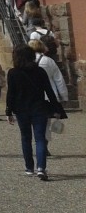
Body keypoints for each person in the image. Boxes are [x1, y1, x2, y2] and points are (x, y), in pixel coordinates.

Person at [6, 43, 67, 180]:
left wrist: (8, 111)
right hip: (39, 108)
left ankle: (29, 168)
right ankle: (41, 168)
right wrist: (57, 108)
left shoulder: (13, 73)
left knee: (26, 138)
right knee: (40, 138)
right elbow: (49, 91)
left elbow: (11, 94)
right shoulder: (40, 71)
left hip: (21, 109)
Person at [29, 34, 69, 156]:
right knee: (45, 122)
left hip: (31, 96)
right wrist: (64, 96)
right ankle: (43, 145)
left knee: (32, 122)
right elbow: (58, 79)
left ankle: (37, 143)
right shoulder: (48, 61)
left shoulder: (25, 62)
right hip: (48, 96)